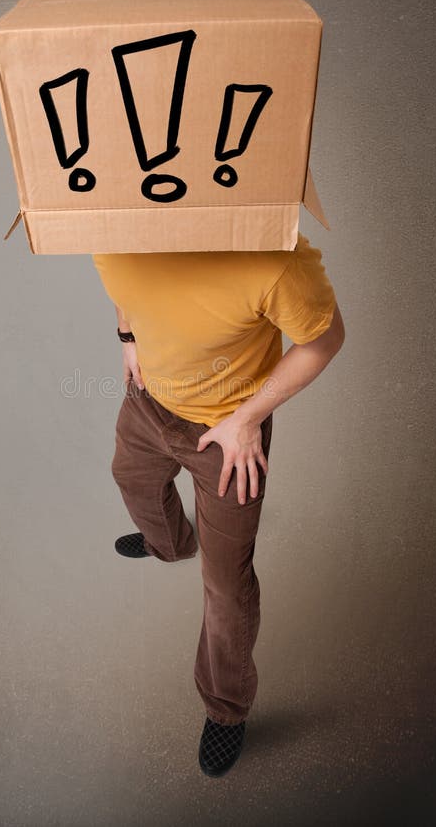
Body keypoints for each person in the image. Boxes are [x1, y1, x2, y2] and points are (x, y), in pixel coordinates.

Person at [92, 231, 345, 778]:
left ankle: (226, 708)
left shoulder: (272, 257)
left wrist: (248, 420)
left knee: (227, 587)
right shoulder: (111, 221)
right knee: (131, 479)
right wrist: (127, 336)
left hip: (228, 436)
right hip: (148, 402)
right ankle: (170, 544)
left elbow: (325, 338)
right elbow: (125, 288)